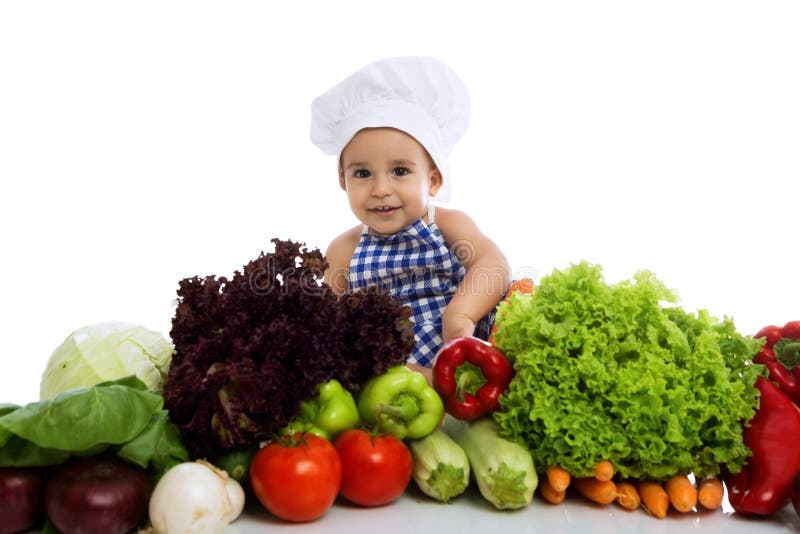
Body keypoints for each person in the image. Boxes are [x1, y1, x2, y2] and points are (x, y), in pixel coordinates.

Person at [310, 56, 511, 381]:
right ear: (343, 181)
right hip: (392, 373)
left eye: (400, 171)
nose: (380, 189)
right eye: (362, 173)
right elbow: (330, 324)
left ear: (433, 180)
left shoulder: (447, 225)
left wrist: (460, 315)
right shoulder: (344, 250)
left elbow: (494, 264)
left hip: (462, 352)